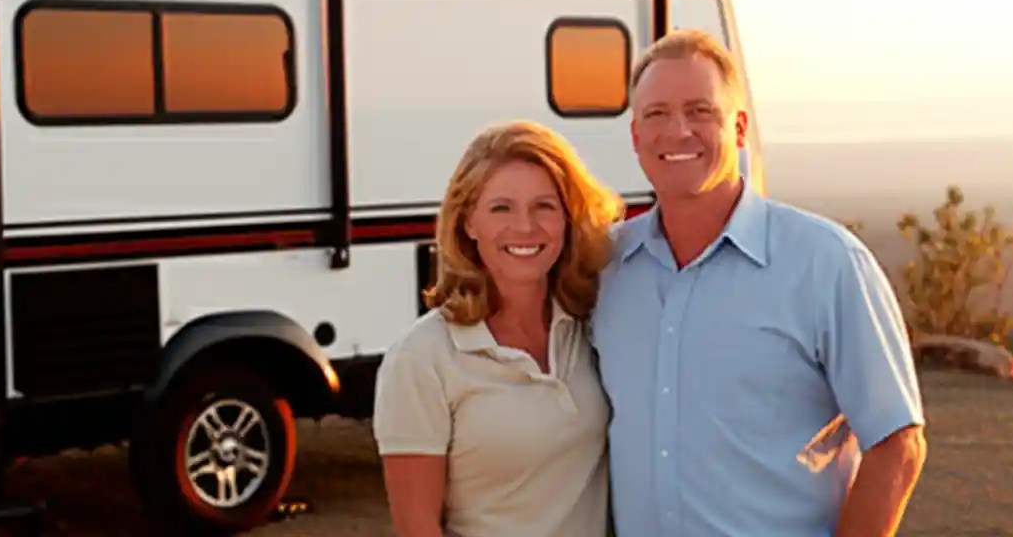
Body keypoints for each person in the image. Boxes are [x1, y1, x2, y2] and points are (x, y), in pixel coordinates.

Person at [590, 29, 927, 537]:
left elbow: (898, 444)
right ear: (636, 136)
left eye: (700, 111)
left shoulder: (826, 262)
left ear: (740, 128)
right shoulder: (605, 268)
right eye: (656, 114)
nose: (677, 131)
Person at [372, 120, 623, 537]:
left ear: (567, 218)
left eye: (544, 206)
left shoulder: (590, 326)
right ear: (469, 222)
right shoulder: (421, 358)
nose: (524, 227)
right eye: (501, 208)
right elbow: (417, 527)